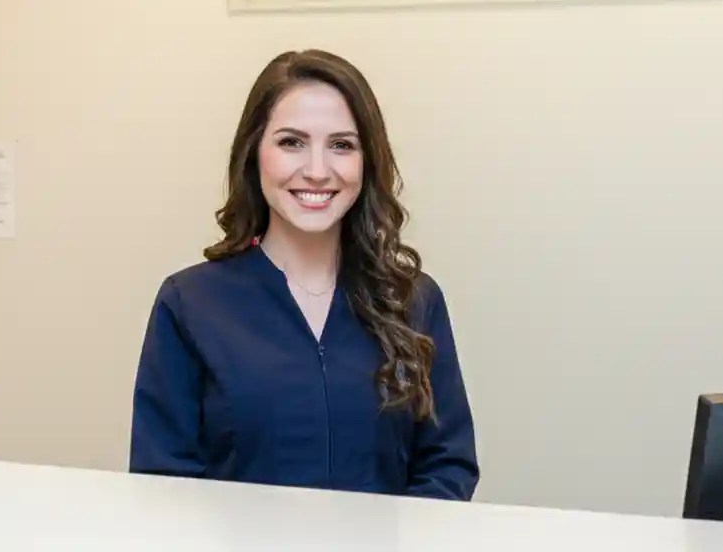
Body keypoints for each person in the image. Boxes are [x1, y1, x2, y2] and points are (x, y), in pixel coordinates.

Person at [129, 49, 479, 501]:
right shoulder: (191, 303)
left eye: (341, 145)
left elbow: (447, 465)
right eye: (291, 142)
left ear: (367, 161)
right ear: (254, 153)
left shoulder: (412, 299)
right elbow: (163, 482)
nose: (316, 171)